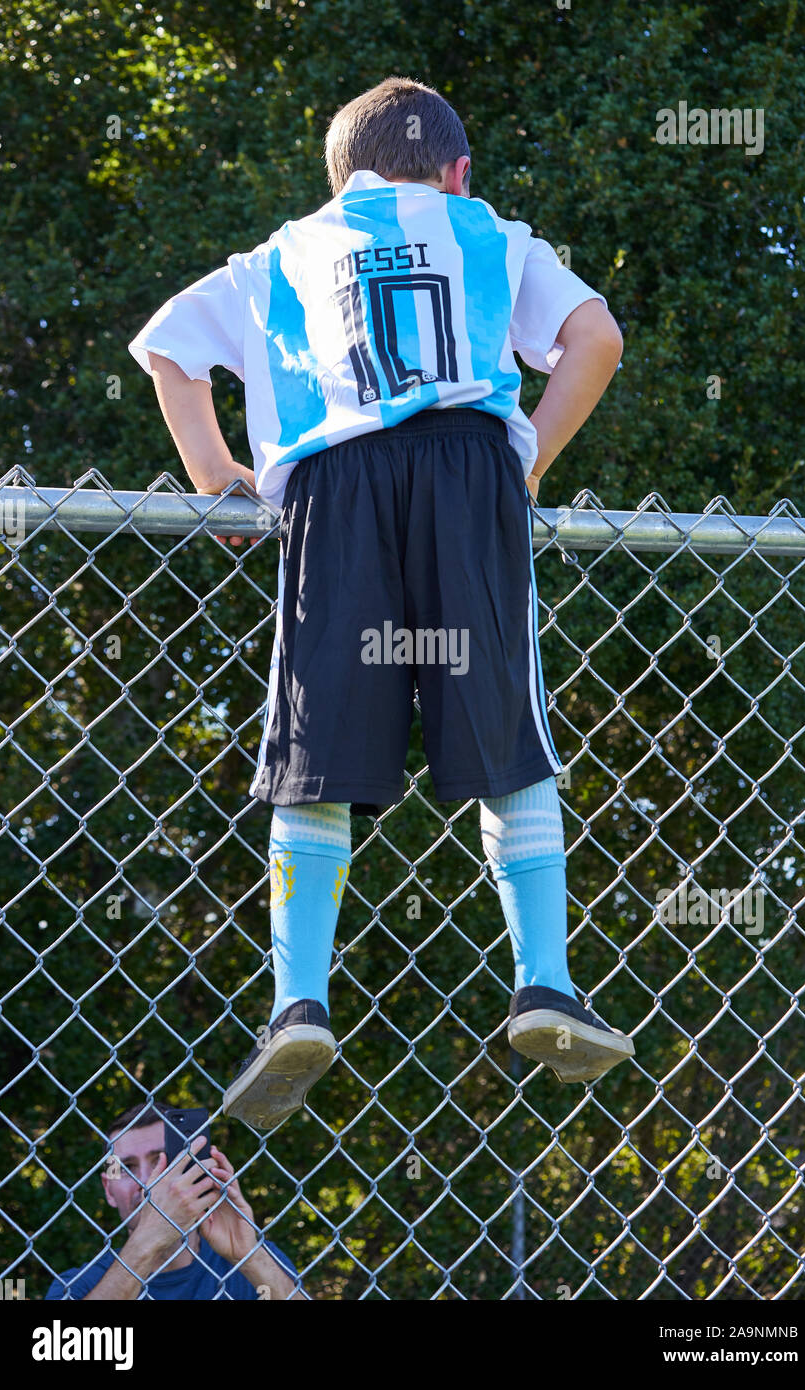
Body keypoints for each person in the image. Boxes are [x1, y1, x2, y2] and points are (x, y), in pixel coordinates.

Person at [126, 75, 634, 1133]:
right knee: (506, 730)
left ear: (339, 180)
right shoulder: (487, 232)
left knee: (315, 743)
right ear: (457, 173)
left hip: (332, 489)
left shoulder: (284, 253)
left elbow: (168, 348)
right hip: (464, 479)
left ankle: (297, 1002)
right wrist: (526, 451)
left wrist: (219, 474)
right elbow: (596, 337)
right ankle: (544, 979)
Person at [44, 1102, 305, 1299]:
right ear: (109, 1190)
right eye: (126, 1167)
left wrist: (249, 1257)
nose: (147, 1183)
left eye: (160, 1161)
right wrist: (147, 1241)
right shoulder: (77, 1286)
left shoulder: (252, 1261)